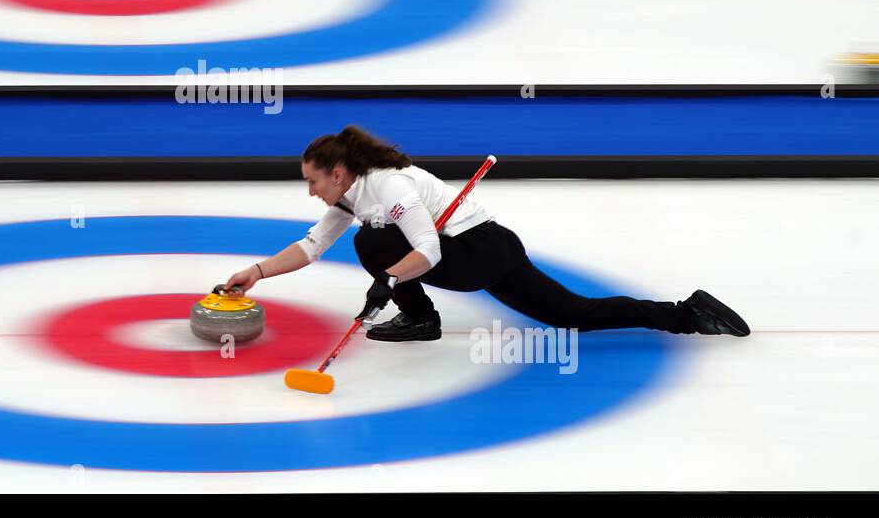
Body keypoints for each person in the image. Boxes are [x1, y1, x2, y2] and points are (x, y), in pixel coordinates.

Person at [223, 125, 750, 342]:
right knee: (572, 315)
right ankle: (686, 314)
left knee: (371, 242)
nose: (311, 191)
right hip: (483, 249)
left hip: (477, 250)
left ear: (338, 174)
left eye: (313, 181)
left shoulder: (388, 185)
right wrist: (257, 273)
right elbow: (312, 245)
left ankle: (420, 318)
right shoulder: (350, 195)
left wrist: (389, 281)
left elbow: (427, 249)